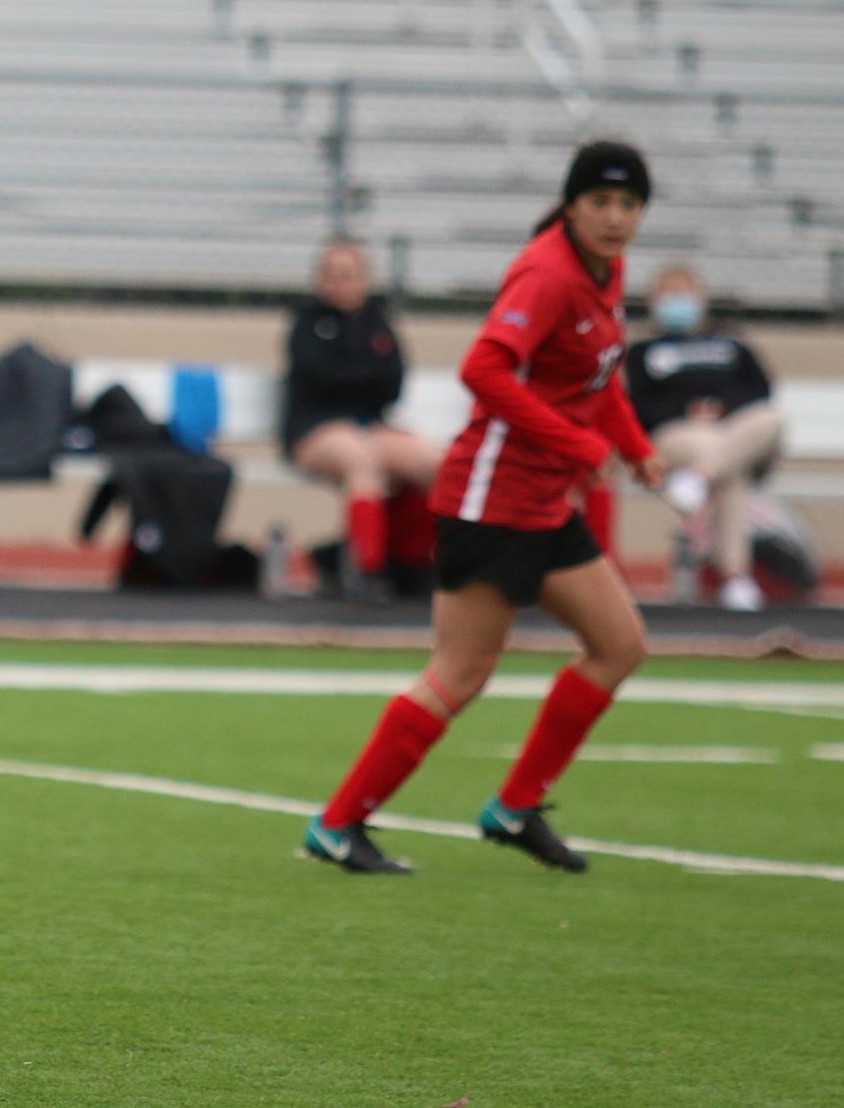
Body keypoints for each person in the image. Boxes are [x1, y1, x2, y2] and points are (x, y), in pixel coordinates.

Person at [302, 141, 665, 875]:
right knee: (459, 675)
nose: (613, 217)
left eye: (626, 204)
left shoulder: (607, 270)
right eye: (598, 202)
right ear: (570, 205)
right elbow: (482, 370)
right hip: (488, 499)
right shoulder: (548, 272)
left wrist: (631, 443)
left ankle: (514, 806)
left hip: (539, 501)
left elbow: (602, 374)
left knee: (619, 644)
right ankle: (338, 826)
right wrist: (574, 442)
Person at [281, 238, 442, 600]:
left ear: (365, 280)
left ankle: (421, 565)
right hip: (315, 429)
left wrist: (353, 383)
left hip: (370, 425)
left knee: (433, 463)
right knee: (362, 461)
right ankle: (368, 570)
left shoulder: (377, 324)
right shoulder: (307, 323)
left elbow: (393, 382)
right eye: (333, 275)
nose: (341, 283)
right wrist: (361, 380)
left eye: (350, 275)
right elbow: (316, 378)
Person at [625, 265, 785, 611]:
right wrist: (688, 411)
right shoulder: (643, 351)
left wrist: (723, 409)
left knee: (770, 420)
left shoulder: (731, 345)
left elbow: (761, 391)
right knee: (726, 465)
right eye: (670, 292)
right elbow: (639, 406)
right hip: (678, 435)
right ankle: (736, 578)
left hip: (733, 431)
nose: (678, 300)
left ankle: (697, 479)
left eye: (685, 291)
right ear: (654, 301)